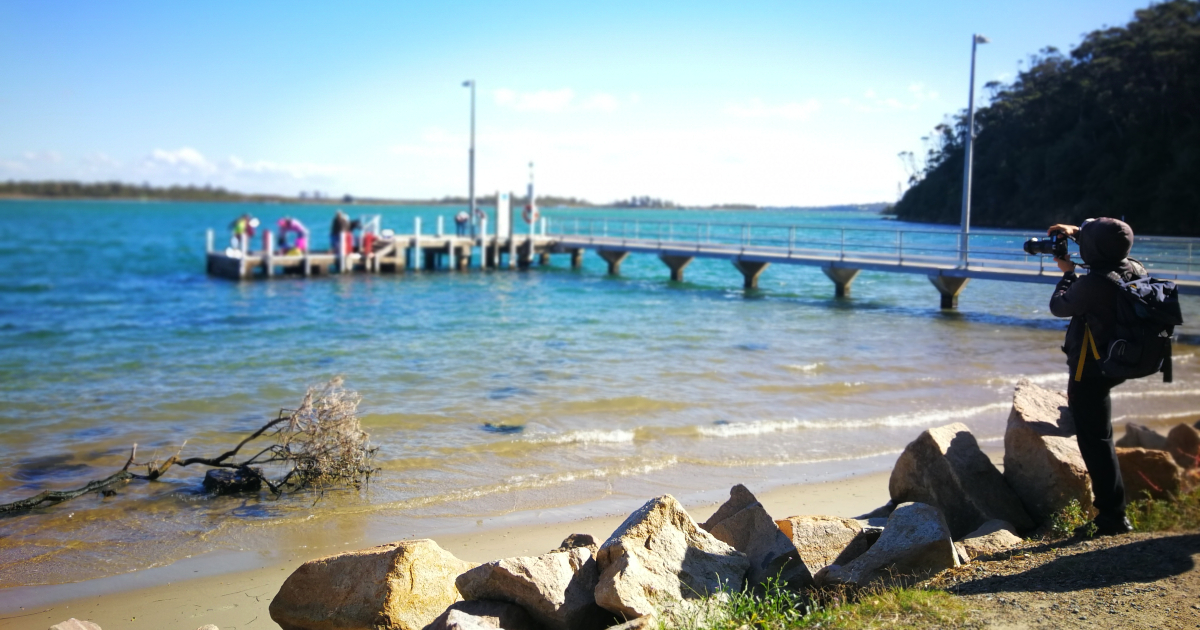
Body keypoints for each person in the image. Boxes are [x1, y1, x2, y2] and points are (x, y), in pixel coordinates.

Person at [1047, 217, 1142, 537]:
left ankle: (1113, 517)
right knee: (1101, 435)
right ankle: (1114, 511)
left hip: (1091, 369)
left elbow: (1059, 306)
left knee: (1096, 441)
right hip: (1119, 360)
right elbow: (1107, 246)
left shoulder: (1092, 284)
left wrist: (1067, 274)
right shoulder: (1131, 268)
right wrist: (1077, 234)